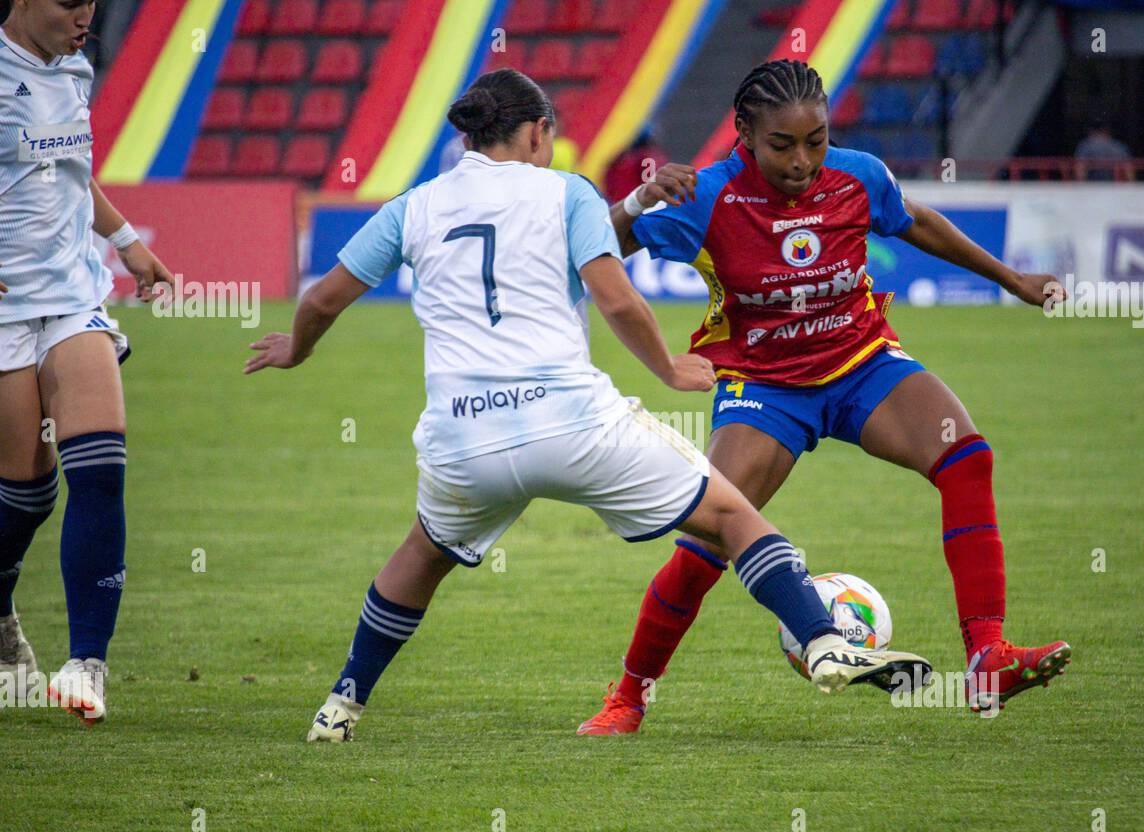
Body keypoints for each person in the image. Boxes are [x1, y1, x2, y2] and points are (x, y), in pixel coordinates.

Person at [242, 69, 929, 743]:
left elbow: (322, 299)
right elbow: (615, 295)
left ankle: (343, 704)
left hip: (464, 436)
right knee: (730, 515)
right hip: (571, 423)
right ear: (539, 132)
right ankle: (822, 641)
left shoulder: (413, 206)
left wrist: (297, 350)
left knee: (421, 554)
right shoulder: (563, 190)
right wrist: (666, 365)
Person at [579, 59, 1072, 734]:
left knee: (968, 458)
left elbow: (916, 220)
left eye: (816, 140)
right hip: (765, 386)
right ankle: (629, 698)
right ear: (745, 135)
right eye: (783, 144)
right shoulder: (707, 196)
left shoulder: (858, 174)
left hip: (862, 362)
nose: (804, 160)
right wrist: (637, 202)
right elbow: (598, 243)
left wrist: (1011, 279)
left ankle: (987, 655)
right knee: (708, 543)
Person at [0, 0, 173, 724]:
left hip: (73, 296)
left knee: (100, 469)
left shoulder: (76, 63)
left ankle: (86, 663)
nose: (85, 16)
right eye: (71, 4)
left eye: (92, 3)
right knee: (26, 496)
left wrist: (129, 241)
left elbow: (71, 170)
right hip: (7, 308)